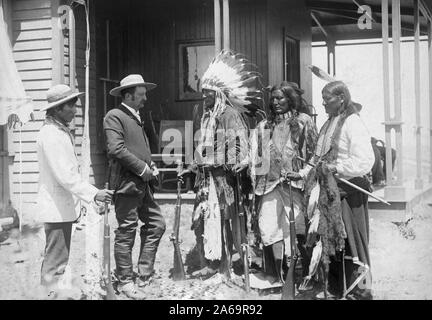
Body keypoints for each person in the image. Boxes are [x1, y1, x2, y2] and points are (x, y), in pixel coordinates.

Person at [184, 50, 262, 279]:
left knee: (227, 220)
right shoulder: (206, 116)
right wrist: (194, 164)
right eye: (203, 94)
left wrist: (215, 161)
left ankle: (230, 262)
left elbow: (239, 148)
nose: (204, 98)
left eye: (208, 94)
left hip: (225, 180)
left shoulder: (229, 115)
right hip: (207, 179)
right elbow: (202, 146)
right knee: (205, 218)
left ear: (218, 94)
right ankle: (211, 261)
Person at [36, 84, 113, 297]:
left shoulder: (58, 131)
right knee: (55, 264)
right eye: (72, 106)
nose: (75, 110)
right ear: (59, 108)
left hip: (60, 207)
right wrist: (93, 193)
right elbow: (65, 175)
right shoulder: (51, 134)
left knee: (57, 261)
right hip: (56, 207)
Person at [304, 81, 375, 300]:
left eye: (328, 99)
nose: (323, 103)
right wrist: (304, 172)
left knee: (351, 240)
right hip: (328, 191)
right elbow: (318, 157)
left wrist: (338, 168)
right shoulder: (327, 124)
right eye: (323, 99)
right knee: (330, 240)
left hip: (348, 192)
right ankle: (335, 288)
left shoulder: (353, 122)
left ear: (342, 98)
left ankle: (360, 291)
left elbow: (365, 161)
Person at [104, 74, 165, 299]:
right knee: (126, 231)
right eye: (141, 95)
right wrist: (142, 168)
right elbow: (116, 149)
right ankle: (125, 281)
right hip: (126, 185)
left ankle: (144, 274)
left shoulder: (135, 117)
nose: (145, 99)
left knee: (157, 224)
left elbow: (138, 149)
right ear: (128, 95)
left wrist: (151, 167)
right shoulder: (115, 116)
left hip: (143, 184)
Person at [249, 81, 318, 283]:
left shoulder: (304, 122)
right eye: (273, 99)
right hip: (269, 185)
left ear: (291, 99)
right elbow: (257, 158)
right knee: (268, 226)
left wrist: (304, 173)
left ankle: (306, 274)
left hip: (296, 185)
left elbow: (316, 155)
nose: (276, 102)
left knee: (298, 227)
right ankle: (274, 274)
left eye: (281, 98)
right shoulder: (264, 126)